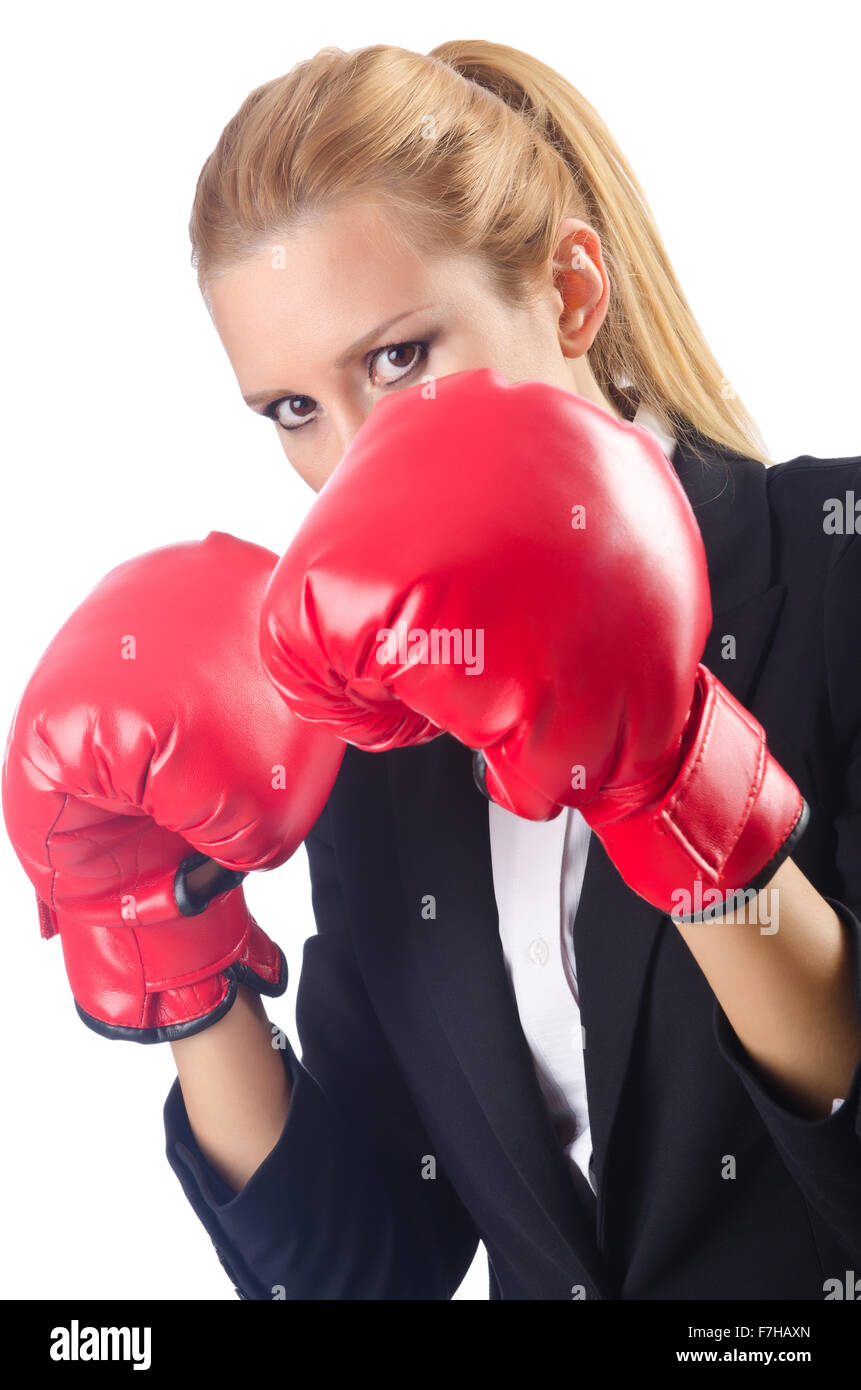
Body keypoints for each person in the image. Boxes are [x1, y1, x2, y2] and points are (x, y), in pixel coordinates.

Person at [5, 39, 861, 1301]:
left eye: (398, 357)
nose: (351, 461)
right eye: (292, 409)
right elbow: (372, 1270)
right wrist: (173, 956)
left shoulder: (833, 567)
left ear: (572, 293)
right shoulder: (377, 709)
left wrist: (679, 783)